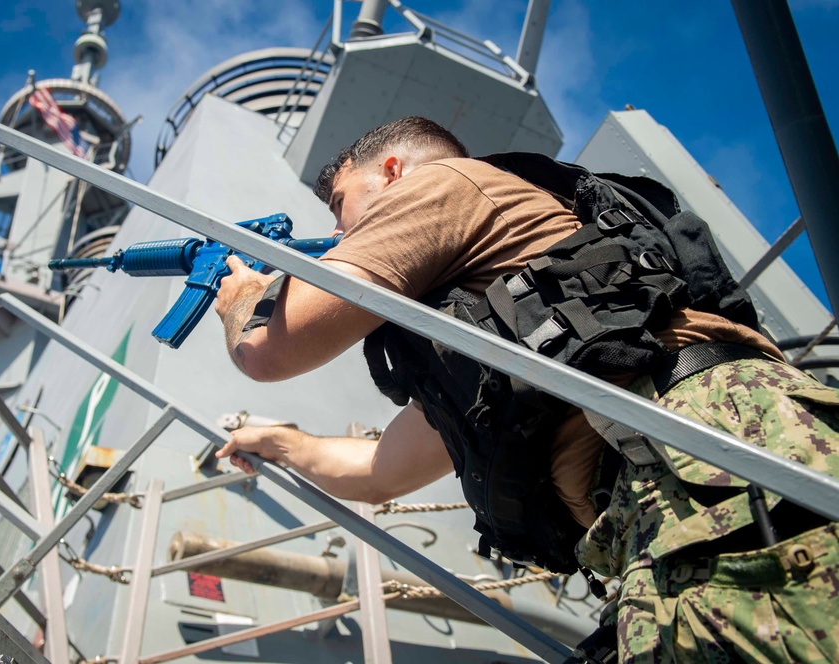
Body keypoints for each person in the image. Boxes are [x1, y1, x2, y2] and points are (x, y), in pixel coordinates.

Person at [212, 116, 839, 663]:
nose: (341, 230)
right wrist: (280, 443)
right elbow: (380, 471)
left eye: (341, 202)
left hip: (704, 451)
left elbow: (272, 352)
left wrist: (242, 303)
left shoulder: (442, 183)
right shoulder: (510, 339)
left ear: (393, 171)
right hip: (659, 499)